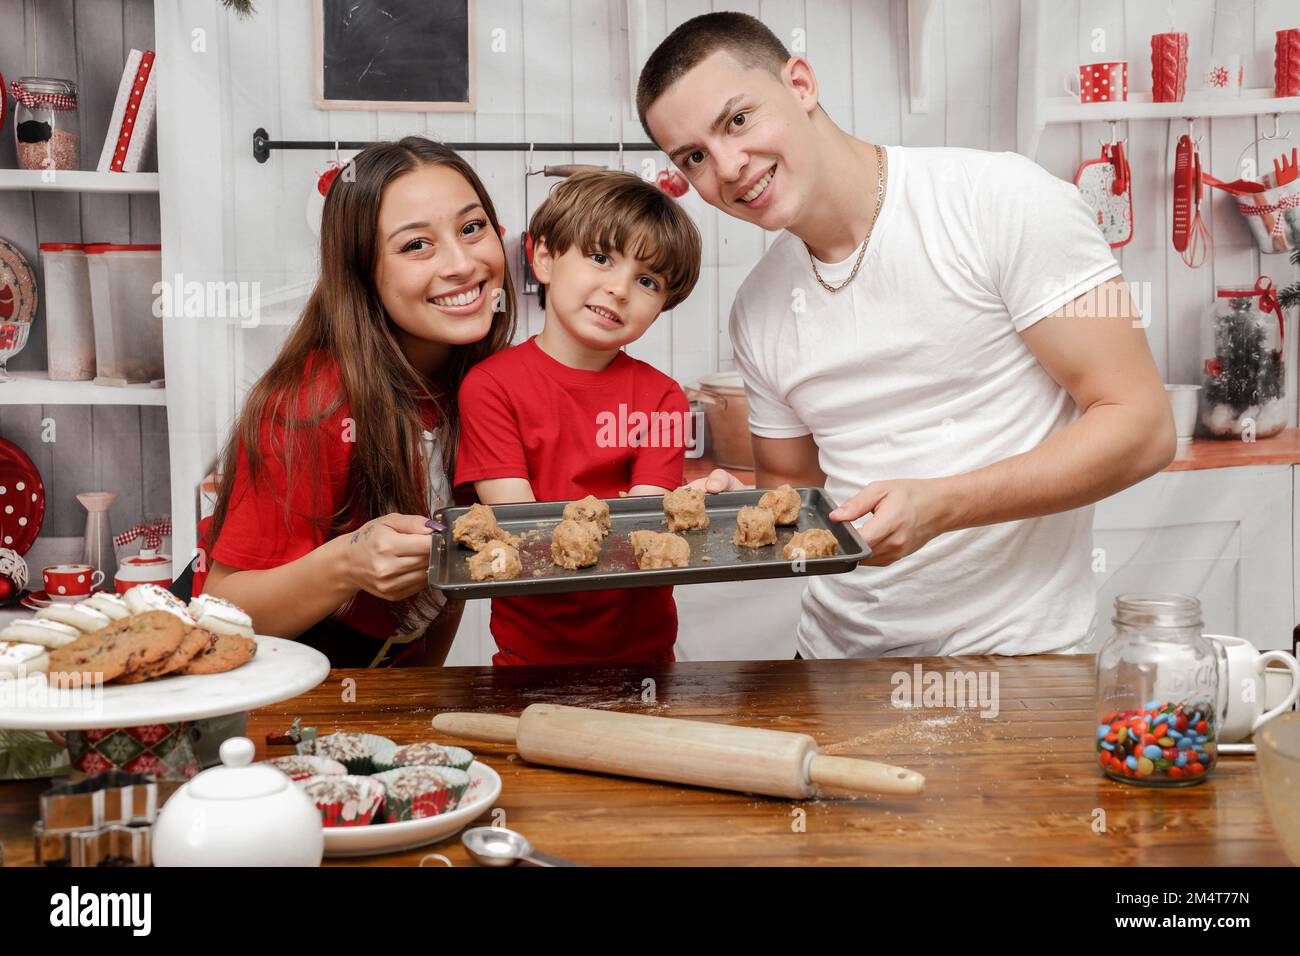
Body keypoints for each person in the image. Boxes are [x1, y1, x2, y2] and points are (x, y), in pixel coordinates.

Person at [636, 13, 1176, 657]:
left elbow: (1143, 427)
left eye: (738, 120)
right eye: (693, 157)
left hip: (1021, 666)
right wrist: (734, 508)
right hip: (834, 666)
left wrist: (940, 505)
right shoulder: (757, 308)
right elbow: (798, 495)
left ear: (801, 83)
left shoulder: (1006, 198)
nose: (727, 166)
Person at [201, 137, 516, 667]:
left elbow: (445, 588)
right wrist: (349, 564)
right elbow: (220, 610)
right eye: (416, 245)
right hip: (271, 685)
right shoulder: (308, 407)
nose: (462, 264)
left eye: (471, 227)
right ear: (362, 274)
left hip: (379, 682)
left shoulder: (484, 385)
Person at [455, 170, 702, 664]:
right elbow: (517, 528)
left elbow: (646, 524)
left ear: (662, 306)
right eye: (600, 257)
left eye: (647, 281)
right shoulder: (490, 387)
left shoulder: (662, 398)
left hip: (646, 655)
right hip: (530, 654)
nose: (619, 289)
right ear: (543, 257)